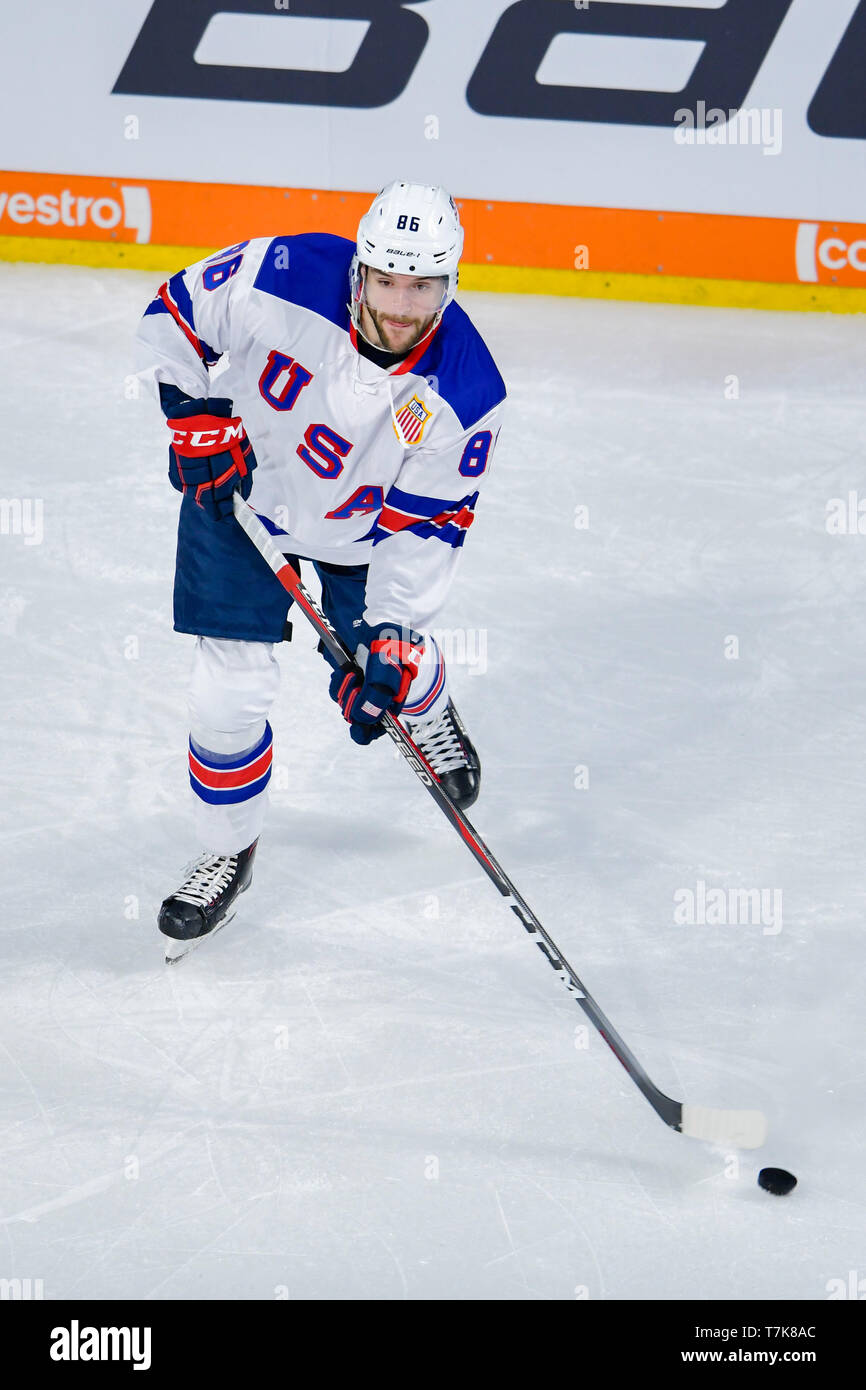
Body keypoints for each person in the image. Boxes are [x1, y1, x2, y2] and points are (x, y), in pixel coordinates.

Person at [135, 181, 506, 947]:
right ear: (358, 271)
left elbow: (427, 530)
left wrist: (392, 636)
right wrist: (195, 416)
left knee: (393, 675)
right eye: (386, 280)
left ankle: (429, 706)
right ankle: (229, 849)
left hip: (363, 536)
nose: (401, 306)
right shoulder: (283, 273)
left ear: (452, 283)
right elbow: (176, 311)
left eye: (423, 285)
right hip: (243, 496)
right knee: (224, 699)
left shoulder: (466, 394)